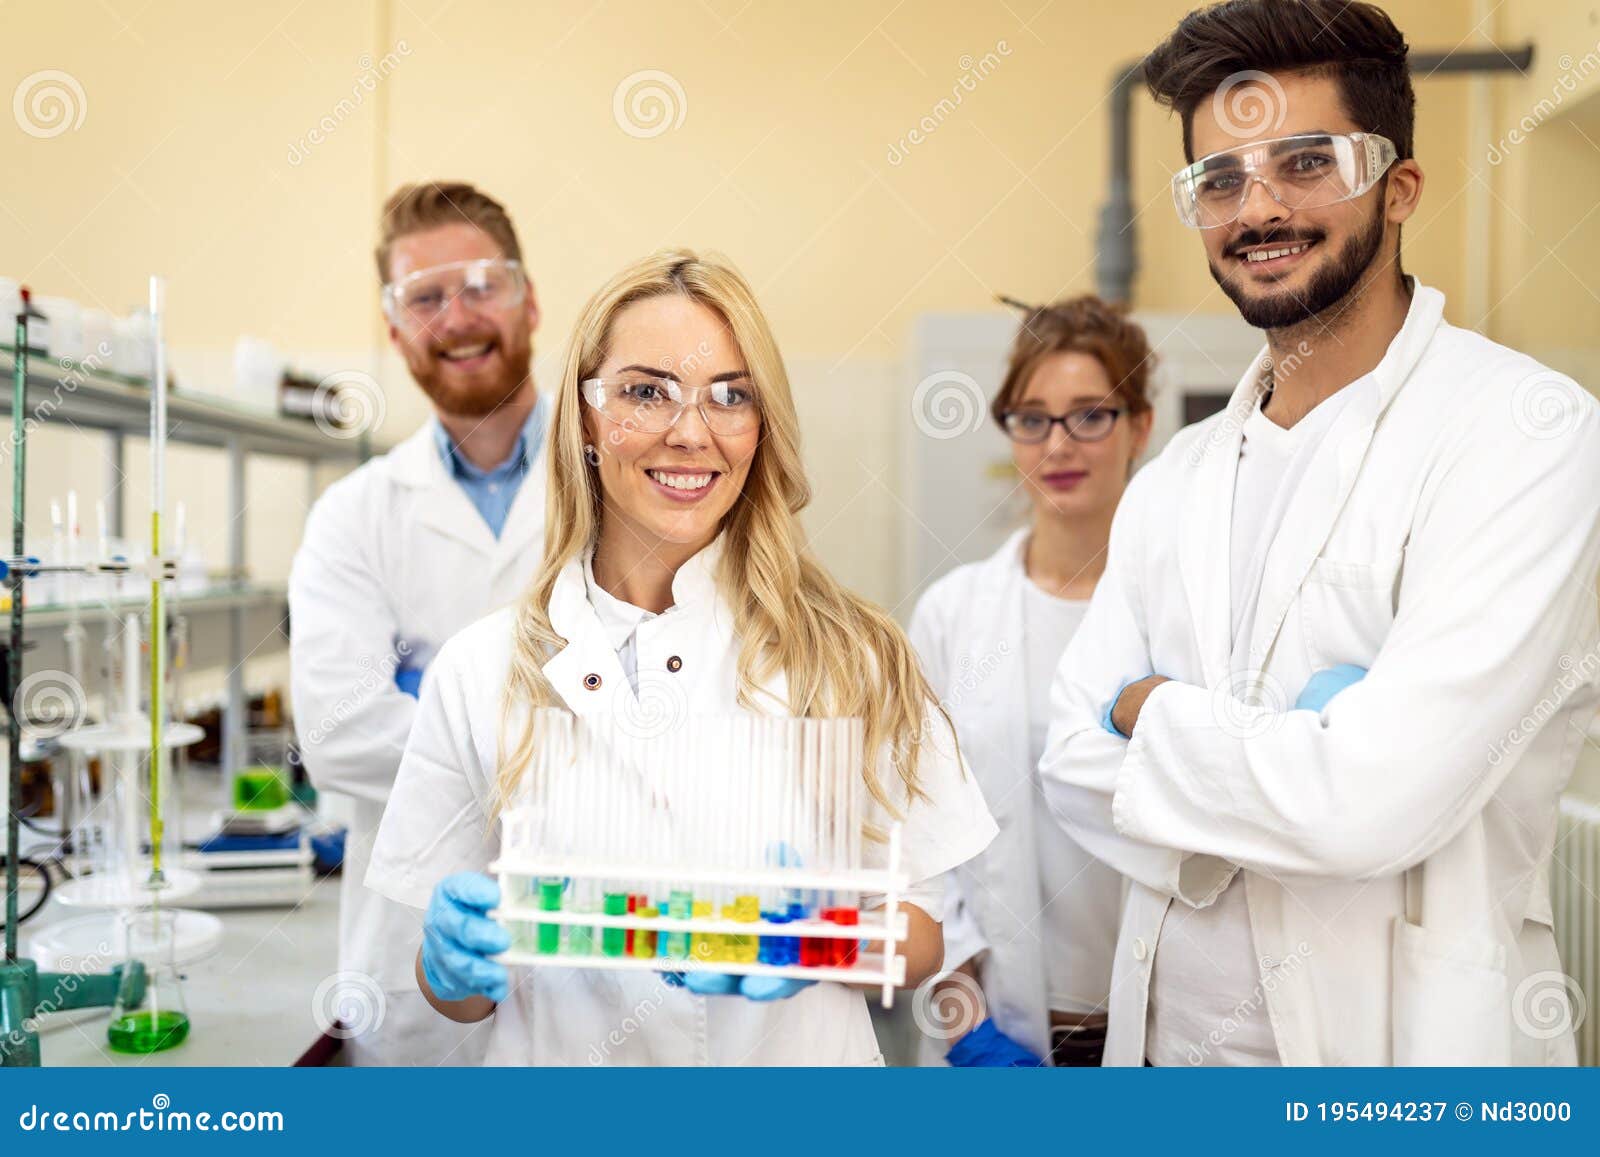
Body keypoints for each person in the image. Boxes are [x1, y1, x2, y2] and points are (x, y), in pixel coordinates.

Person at [1039, 0, 1600, 1066]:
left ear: (1398, 190)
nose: (1257, 208)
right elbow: (1068, 757)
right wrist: (1290, 769)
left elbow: (1367, 805)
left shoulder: (1523, 434)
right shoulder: (1177, 481)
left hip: (1395, 1064)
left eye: (1305, 163)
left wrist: (1149, 712)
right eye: (1220, 179)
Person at [362, 249, 998, 1065]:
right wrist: (450, 956)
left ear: (761, 426)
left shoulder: (857, 656)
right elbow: (453, 992)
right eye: (646, 391)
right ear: (587, 420)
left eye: (730, 395)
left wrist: (823, 938)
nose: (692, 432)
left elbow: (922, 936)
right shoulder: (481, 669)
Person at [289, 182, 549, 1065]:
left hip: (596, 971)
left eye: (482, 283)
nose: (457, 316)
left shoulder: (626, 482)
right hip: (410, 979)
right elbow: (334, 735)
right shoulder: (354, 515)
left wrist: (431, 694)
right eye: (424, 297)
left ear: (531, 299)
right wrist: (560, 730)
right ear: (395, 330)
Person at [910, 296, 1152, 1067]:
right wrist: (965, 1021)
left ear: (1140, 426)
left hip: (1166, 1029)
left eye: (1091, 415)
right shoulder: (955, 614)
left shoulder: (1182, 613)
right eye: (1033, 417)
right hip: (999, 1024)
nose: (1059, 444)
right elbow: (918, 833)